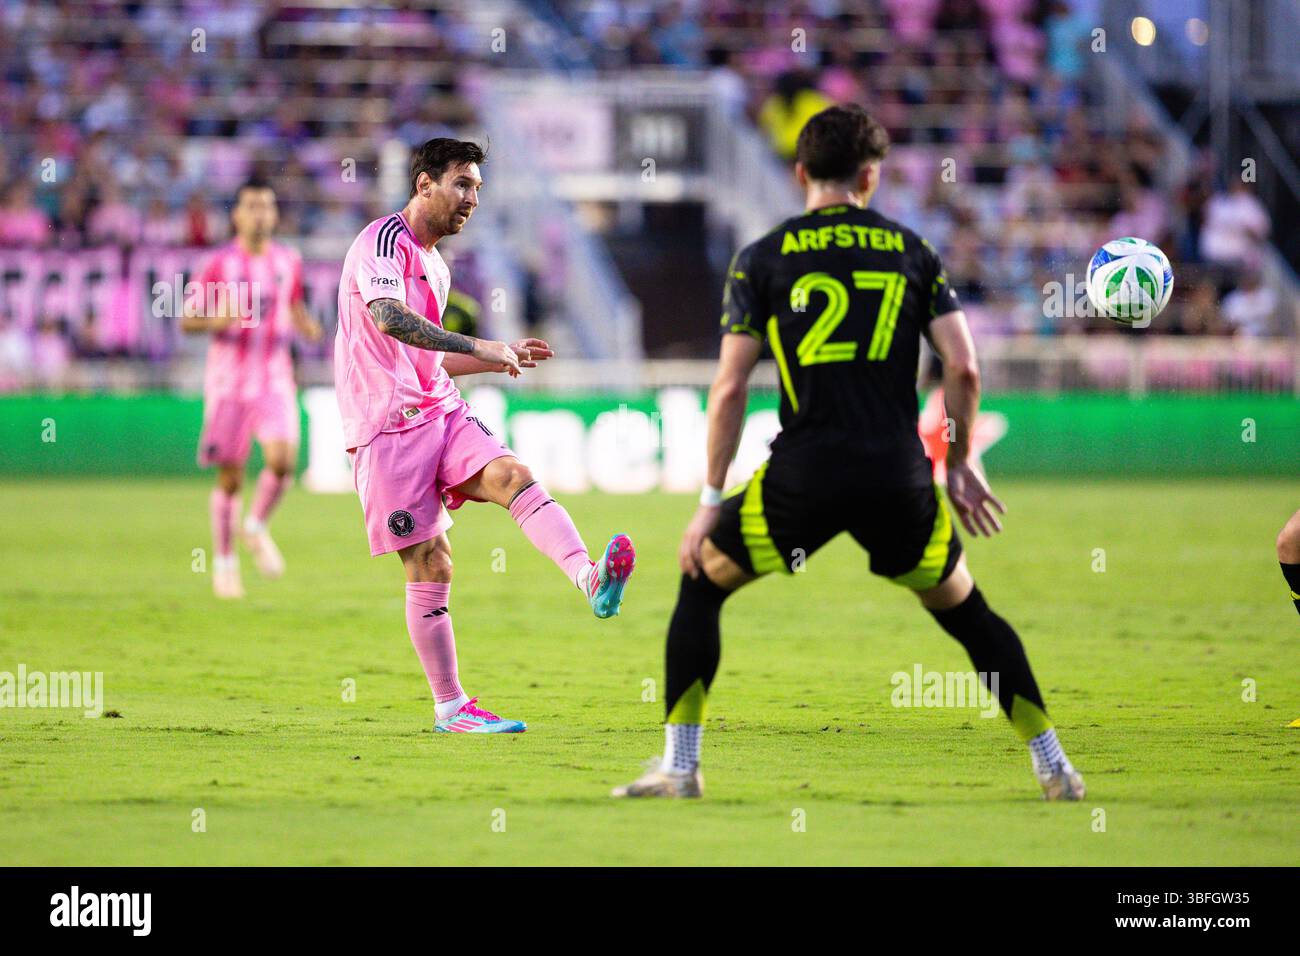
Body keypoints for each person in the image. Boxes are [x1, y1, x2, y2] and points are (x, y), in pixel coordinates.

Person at [613, 106, 1084, 800]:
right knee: (966, 611)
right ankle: (1054, 765)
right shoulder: (913, 251)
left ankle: (681, 768)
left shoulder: (763, 258)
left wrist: (709, 501)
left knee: (701, 580)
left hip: (803, 474)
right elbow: (966, 367)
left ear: (801, 173)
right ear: (871, 176)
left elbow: (729, 386)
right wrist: (955, 465)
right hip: (897, 476)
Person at [334, 138, 635, 734]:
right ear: (424, 185)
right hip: (386, 425)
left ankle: (590, 577)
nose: (472, 199)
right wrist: (481, 344)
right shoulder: (382, 241)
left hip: (437, 411)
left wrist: (497, 359)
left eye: (477, 188)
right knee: (430, 562)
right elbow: (388, 319)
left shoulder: (437, 264)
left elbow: (428, 359)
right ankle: (451, 707)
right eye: (462, 185)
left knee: (514, 477)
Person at [182, 180, 321, 599]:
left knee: (282, 461)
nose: (260, 213)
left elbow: (292, 304)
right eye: (251, 206)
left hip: (275, 378)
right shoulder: (217, 263)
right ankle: (225, 563)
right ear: (237, 215)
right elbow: (187, 319)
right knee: (231, 477)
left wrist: (307, 326)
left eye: (266, 206)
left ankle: (256, 525)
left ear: (275, 215)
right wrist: (214, 321)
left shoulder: (288, 260)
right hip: (229, 384)